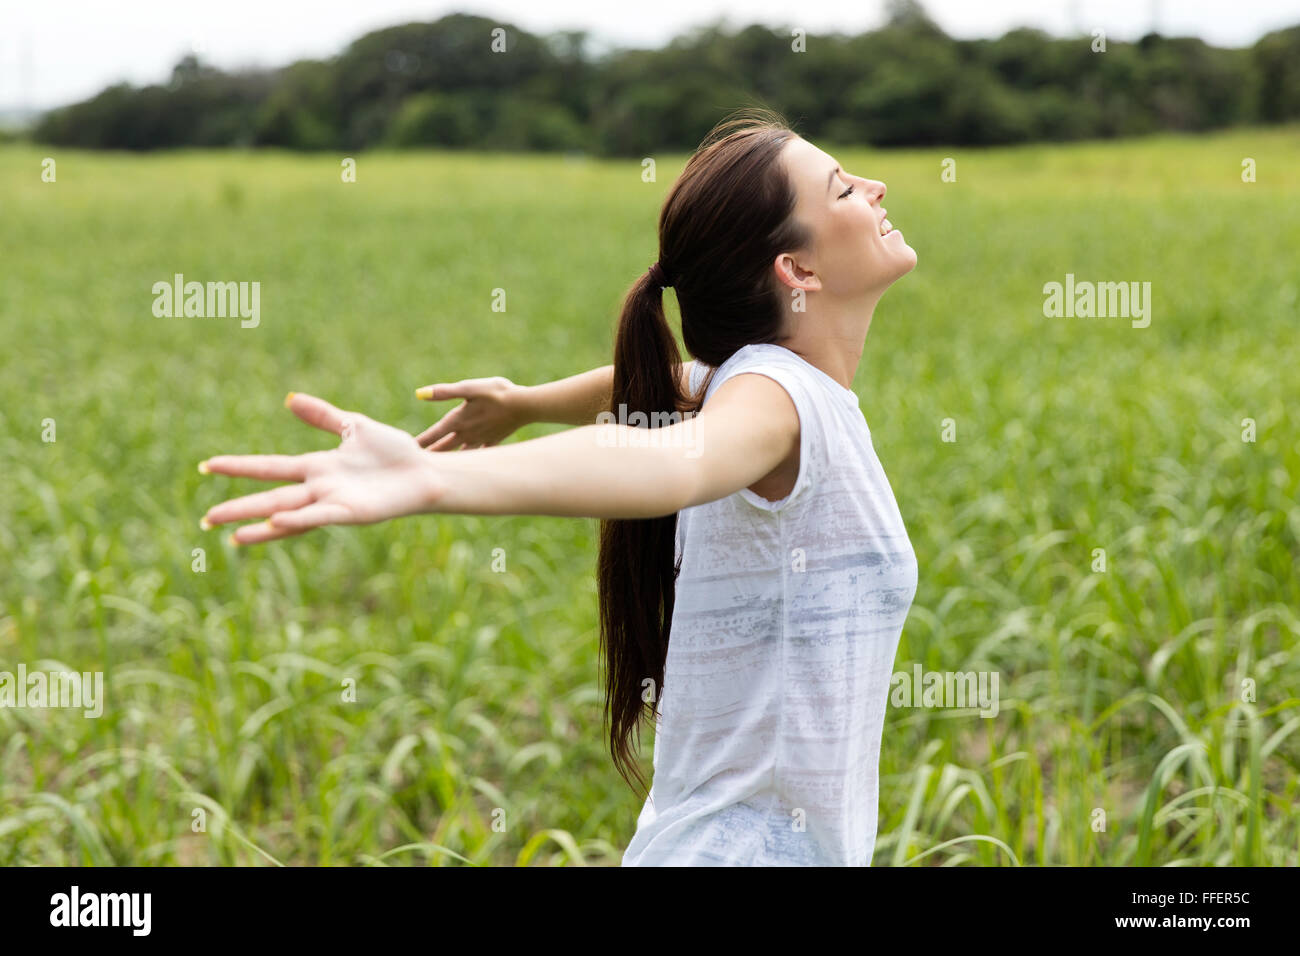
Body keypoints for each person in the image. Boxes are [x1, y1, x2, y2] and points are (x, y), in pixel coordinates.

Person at [198, 107, 919, 865]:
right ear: (798, 272)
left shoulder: (756, 382)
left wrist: (526, 402)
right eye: (842, 190)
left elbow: (656, 383)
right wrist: (435, 476)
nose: (874, 188)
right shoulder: (776, 398)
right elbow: (680, 458)